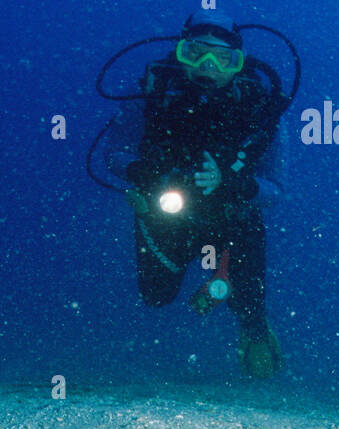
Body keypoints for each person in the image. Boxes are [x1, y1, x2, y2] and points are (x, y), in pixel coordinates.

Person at [108, 11, 285, 378]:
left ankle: (254, 330)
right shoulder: (154, 92)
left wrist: (241, 185)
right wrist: (140, 171)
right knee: (156, 297)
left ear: (238, 65)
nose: (208, 66)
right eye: (196, 53)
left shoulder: (258, 107)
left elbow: (276, 187)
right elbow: (113, 153)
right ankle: (155, 228)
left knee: (247, 303)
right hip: (167, 216)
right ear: (180, 54)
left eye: (222, 59)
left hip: (233, 221)